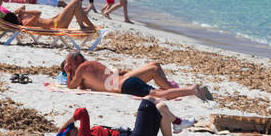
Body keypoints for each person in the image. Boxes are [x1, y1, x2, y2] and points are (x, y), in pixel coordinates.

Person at [60, 51, 212, 101]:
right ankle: (191, 90)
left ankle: (192, 90)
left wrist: (68, 73)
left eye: (70, 63)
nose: (71, 67)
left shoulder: (82, 68)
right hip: (126, 82)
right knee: (159, 92)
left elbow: (71, 86)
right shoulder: (93, 64)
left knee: (161, 94)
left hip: (125, 86)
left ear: (77, 59)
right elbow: (88, 84)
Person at [54, 100, 187, 136]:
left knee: (161, 107)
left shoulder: (86, 135)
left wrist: (63, 130)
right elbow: (82, 112)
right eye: (70, 128)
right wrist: (65, 124)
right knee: (147, 102)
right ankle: (178, 122)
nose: (74, 126)